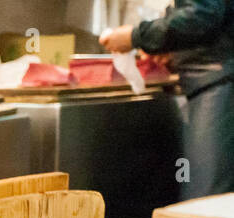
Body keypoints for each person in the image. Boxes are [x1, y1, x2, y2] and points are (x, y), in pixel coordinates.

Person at [100, 0, 234, 198]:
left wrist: (136, 36)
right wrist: (172, 48)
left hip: (218, 83)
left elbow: (202, 15)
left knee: (201, 205)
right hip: (211, 82)